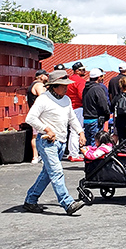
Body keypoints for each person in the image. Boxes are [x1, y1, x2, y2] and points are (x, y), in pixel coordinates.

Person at [23, 70, 86, 216]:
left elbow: (72, 118)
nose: (66, 88)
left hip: (61, 142)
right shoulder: (43, 99)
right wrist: (46, 129)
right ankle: (67, 203)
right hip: (47, 142)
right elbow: (30, 118)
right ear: (55, 86)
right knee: (56, 172)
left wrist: (80, 132)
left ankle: (30, 200)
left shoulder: (66, 100)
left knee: (47, 173)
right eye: (63, 85)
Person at [65, 61, 88, 161]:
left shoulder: (68, 80)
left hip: (68, 106)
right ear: (78, 71)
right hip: (78, 107)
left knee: (70, 131)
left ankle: (71, 152)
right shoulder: (80, 81)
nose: (85, 71)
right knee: (76, 131)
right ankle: (73, 154)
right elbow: (82, 95)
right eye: (83, 69)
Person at [81, 68, 110, 146]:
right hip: (95, 119)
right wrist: (107, 115)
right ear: (98, 77)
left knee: (88, 142)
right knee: (96, 142)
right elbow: (103, 104)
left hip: (86, 118)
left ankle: (88, 156)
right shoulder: (98, 88)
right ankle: (94, 157)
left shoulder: (86, 88)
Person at [27, 69, 48, 163]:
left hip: (34, 112)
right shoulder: (39, 85)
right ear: (40, 76)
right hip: (40, 114)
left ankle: (35, 156)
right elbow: (43, 98)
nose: (47, 77)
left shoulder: (32, 85)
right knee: (43, 134)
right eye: (46, 75)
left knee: (35, 135)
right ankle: (43, 156)